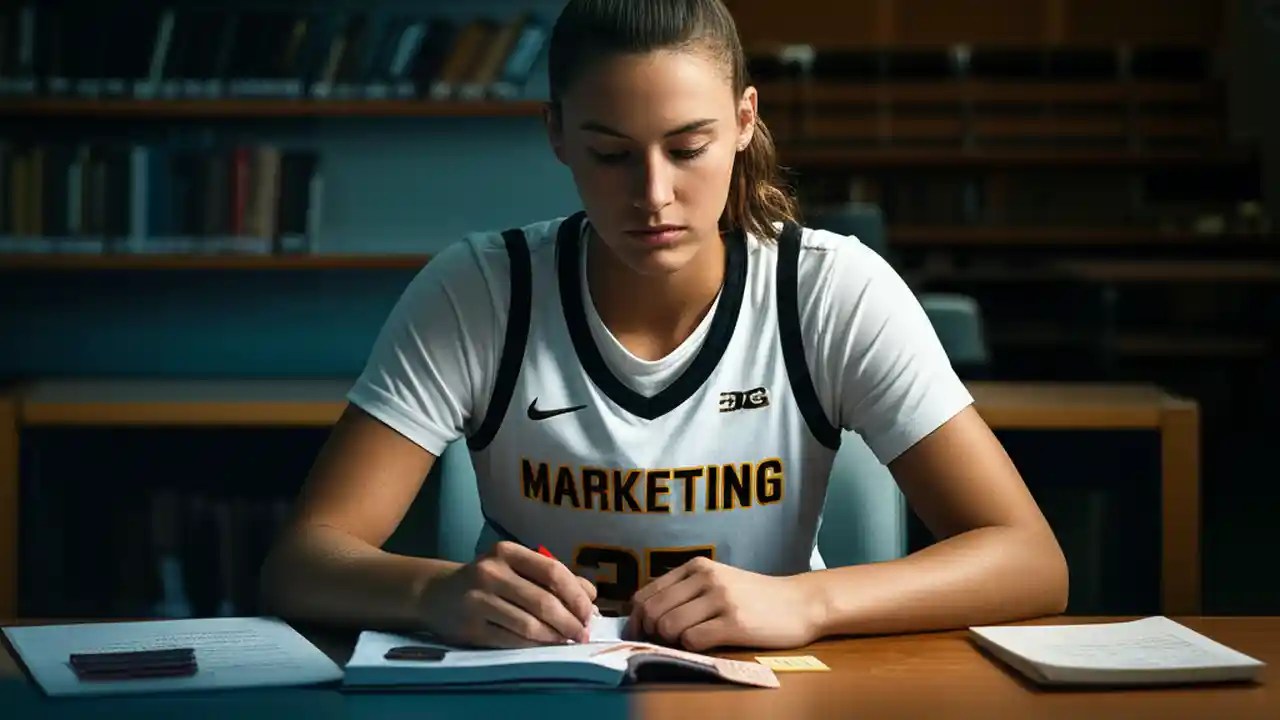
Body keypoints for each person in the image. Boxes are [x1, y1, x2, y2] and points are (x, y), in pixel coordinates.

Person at [260, 0, 1067, 652]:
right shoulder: (480, 291)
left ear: (744, 120)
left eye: (689, 147)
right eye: (612, 155)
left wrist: (808, 602)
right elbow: (302, 561)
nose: (653, 193)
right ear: (556, 135)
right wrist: (432, 591)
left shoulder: (829, 290)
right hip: (533, 696)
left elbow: (1030, 559)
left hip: (770, 693)